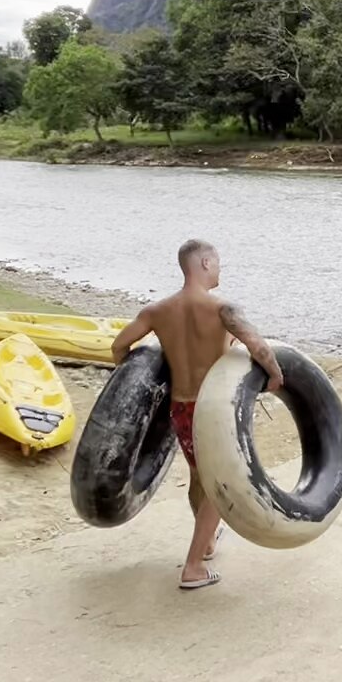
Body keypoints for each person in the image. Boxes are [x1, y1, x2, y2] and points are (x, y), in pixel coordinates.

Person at [111, 240, 284, 592]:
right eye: (217, 264)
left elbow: (118, 347)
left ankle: (205, 544)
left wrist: (138, 386)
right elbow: (259, 346)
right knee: (221, 485)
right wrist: (277, 376)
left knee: (199, 477)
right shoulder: (223, 309)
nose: (220, 271)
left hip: (182, 407)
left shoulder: (157, 311)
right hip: (214, 408)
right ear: (205, 262)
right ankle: (192, 567)